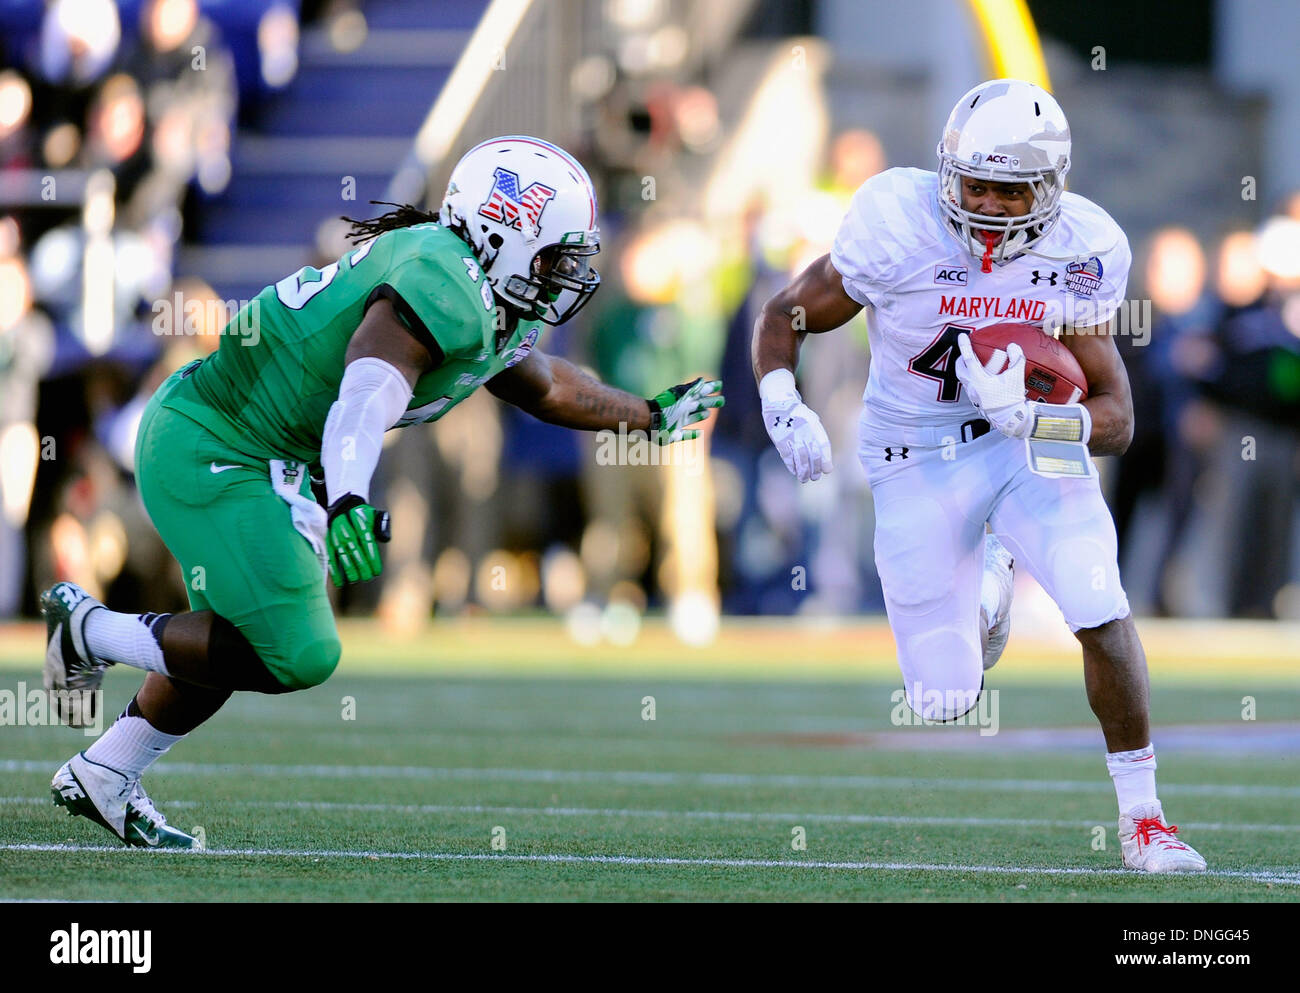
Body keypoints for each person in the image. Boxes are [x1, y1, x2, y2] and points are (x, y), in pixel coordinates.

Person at [41, 135, 724, 848]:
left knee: (237, 640)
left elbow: (548, 385)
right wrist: (347, 497)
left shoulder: (479, 287)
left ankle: (106, 770)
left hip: (252, 449)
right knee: (299, 651)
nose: (564, 277)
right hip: (216, 443)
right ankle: (88, 631)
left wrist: (645, 414)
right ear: (503, 232)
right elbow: (365, 392)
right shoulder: (444, 279)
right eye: (555, 256)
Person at [751, 80, 1206, 873]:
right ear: (946, 172)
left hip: (1026, 446)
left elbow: (1119, 420)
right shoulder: (895, 223)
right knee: (944, 698)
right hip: (914, 452)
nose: (989, 202)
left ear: (1051, 185)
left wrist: (1031, 420)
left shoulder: (1083, 248)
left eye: (1011, 186)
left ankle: (1145, 820)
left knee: (1100, 601)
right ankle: (990, 577)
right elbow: (784, 313)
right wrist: (782, 399)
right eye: (975, 183)